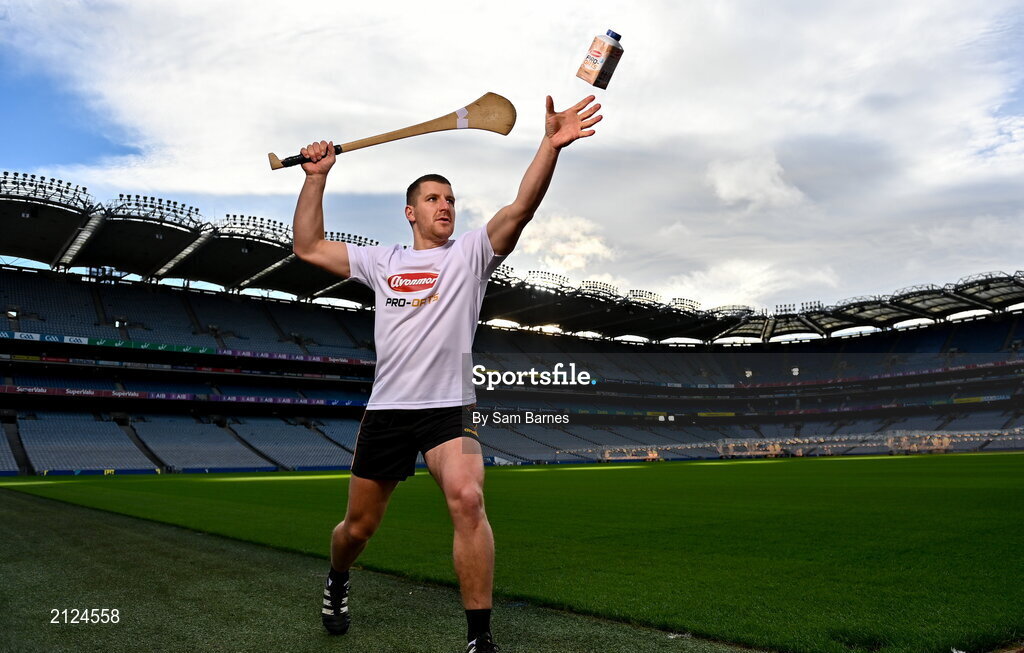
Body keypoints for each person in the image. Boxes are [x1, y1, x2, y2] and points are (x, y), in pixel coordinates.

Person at [292, 95, 602, 653]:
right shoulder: (380, 260)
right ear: (410, 212)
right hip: (387, 410)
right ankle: (338, 577)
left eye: (452, 200)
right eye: (433, 199)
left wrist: (550, 146)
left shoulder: (469, 257)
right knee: (357, 531)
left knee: (467, 498)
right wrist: (316, 177)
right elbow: (308, 247)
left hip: (447, 408)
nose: (446, 207)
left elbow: (518, 210)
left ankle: (479, 639)